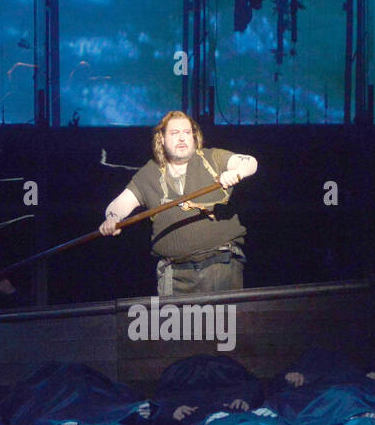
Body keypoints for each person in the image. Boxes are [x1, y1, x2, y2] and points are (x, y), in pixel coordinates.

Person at [99, 110, 258, 296]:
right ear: (162, 139)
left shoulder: (213, 158)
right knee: (177, 326)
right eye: (174, 133)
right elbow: (119, 204)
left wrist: (236, 172)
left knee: (224, 325)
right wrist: (112, 218)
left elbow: (250, 162)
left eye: (187, 132)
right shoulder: (149, 173)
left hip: (221, 267)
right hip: (173, 275)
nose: (182, 138)